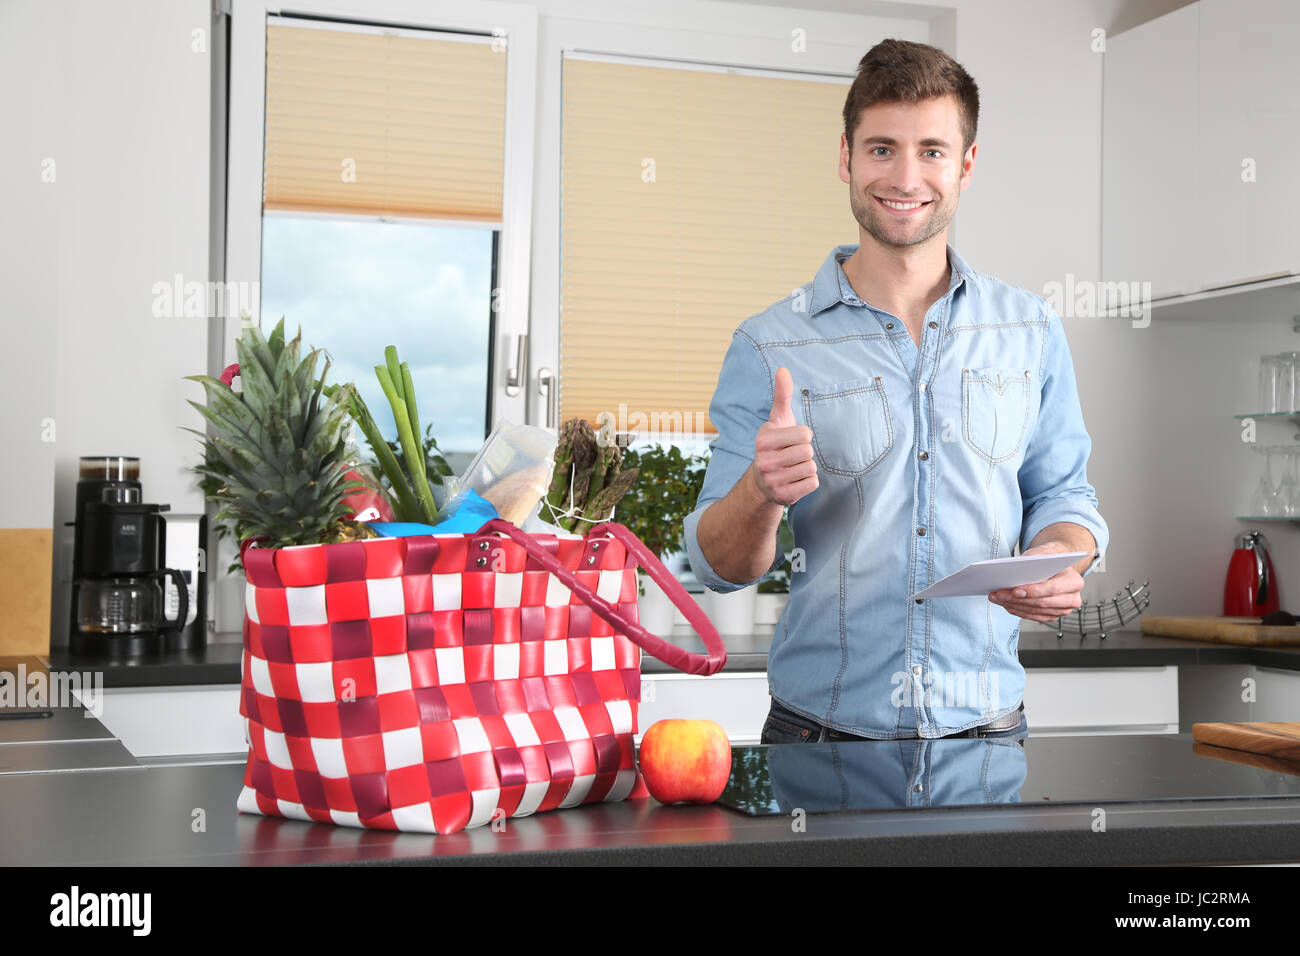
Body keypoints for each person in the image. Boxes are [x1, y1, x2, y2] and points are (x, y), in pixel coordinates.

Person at [682, 38, 1109, 742]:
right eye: (881, 149)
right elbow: (718, 567)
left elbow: (1065, 496)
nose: (906, 176)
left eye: (932, 151)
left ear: (967, 164)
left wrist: (1055, 558)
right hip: (821, 737)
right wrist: (760, 493)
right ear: (845, 157)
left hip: (987, 734)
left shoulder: (1028, 329)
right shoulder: (769, 345)